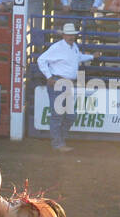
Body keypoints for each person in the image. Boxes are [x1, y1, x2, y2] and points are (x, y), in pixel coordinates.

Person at [37, 23, 94, 152]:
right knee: (59, 114)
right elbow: (41, 60)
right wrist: (49, 76)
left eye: (72, 35)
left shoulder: (73, 47)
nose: (71, 37)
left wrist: (91, 56)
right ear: (63, 35)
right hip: (58, 82)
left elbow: (78, 58)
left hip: (66, 84)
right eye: (68, 34)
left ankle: (59, 141)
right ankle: (58, 143)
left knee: (69, 116)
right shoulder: (57, 47)